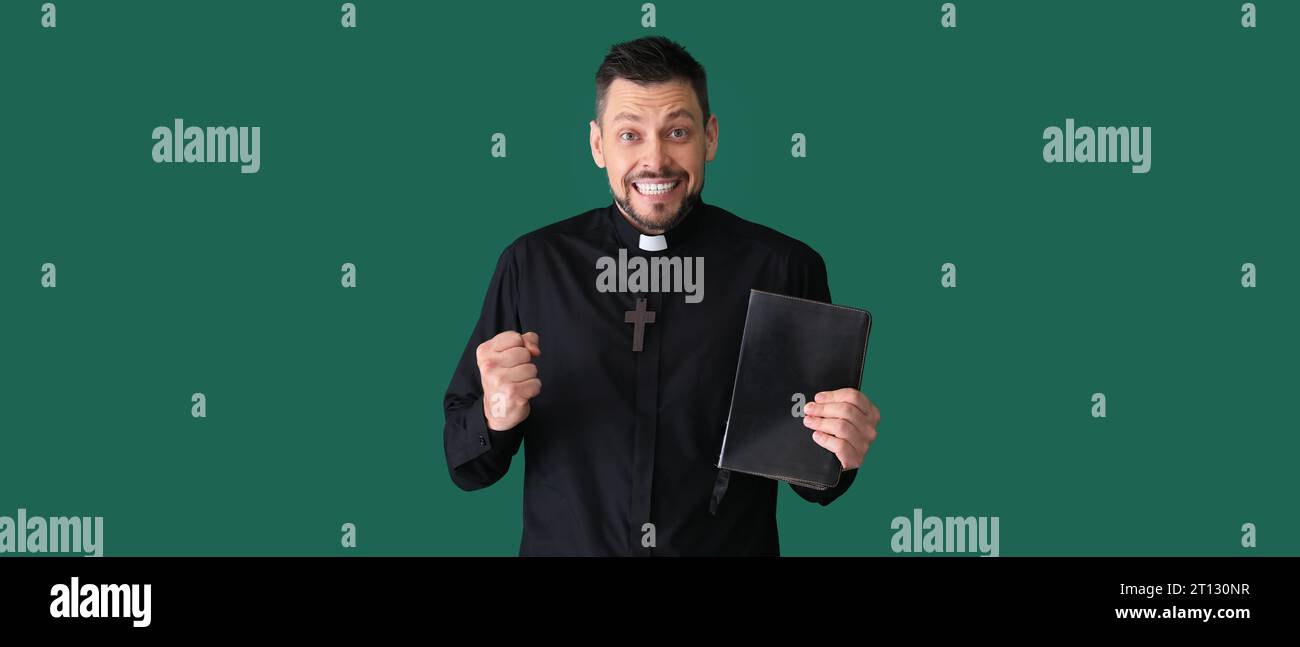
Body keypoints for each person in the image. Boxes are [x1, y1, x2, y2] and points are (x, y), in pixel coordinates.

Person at [444, 36, 881, 556]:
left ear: (710, 137)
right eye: (630, 134)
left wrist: (840, 447)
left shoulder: (785, 268)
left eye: (677, 131)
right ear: (597, 145)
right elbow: (467, 467)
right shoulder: (530, 265)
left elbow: (816, 479)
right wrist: (493, 417)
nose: (656, 160)